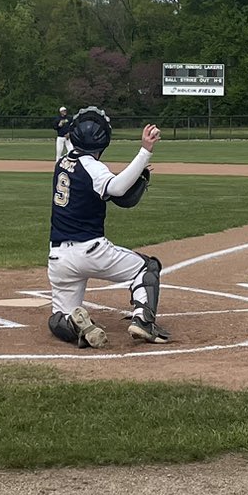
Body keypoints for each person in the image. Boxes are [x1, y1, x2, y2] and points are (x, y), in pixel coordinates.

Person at [46, 105, 170, 347]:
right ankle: (143, 321)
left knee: (58, 317)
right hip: (91, 250)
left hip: (59, 258)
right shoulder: (93, 168)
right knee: (147, 267)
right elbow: (117, 189)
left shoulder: (62, 162)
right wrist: (145, 151)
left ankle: (75, 326)